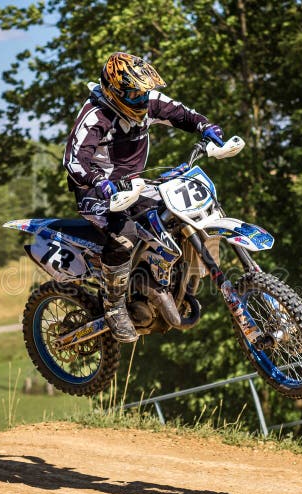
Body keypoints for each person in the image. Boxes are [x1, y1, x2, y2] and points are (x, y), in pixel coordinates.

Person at [63, 52, 224, 343]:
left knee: (179, 210)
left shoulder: (149, 102)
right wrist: (102, 184)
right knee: (123, 232)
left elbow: (182, 113)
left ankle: (159, 278)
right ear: (115, 92)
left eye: (143, 91)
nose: (141, 99)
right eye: (134, 93)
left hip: (135, 185)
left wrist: (206, 127)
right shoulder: (95, 116)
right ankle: (114, 307)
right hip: (95, 190)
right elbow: (75, 162)